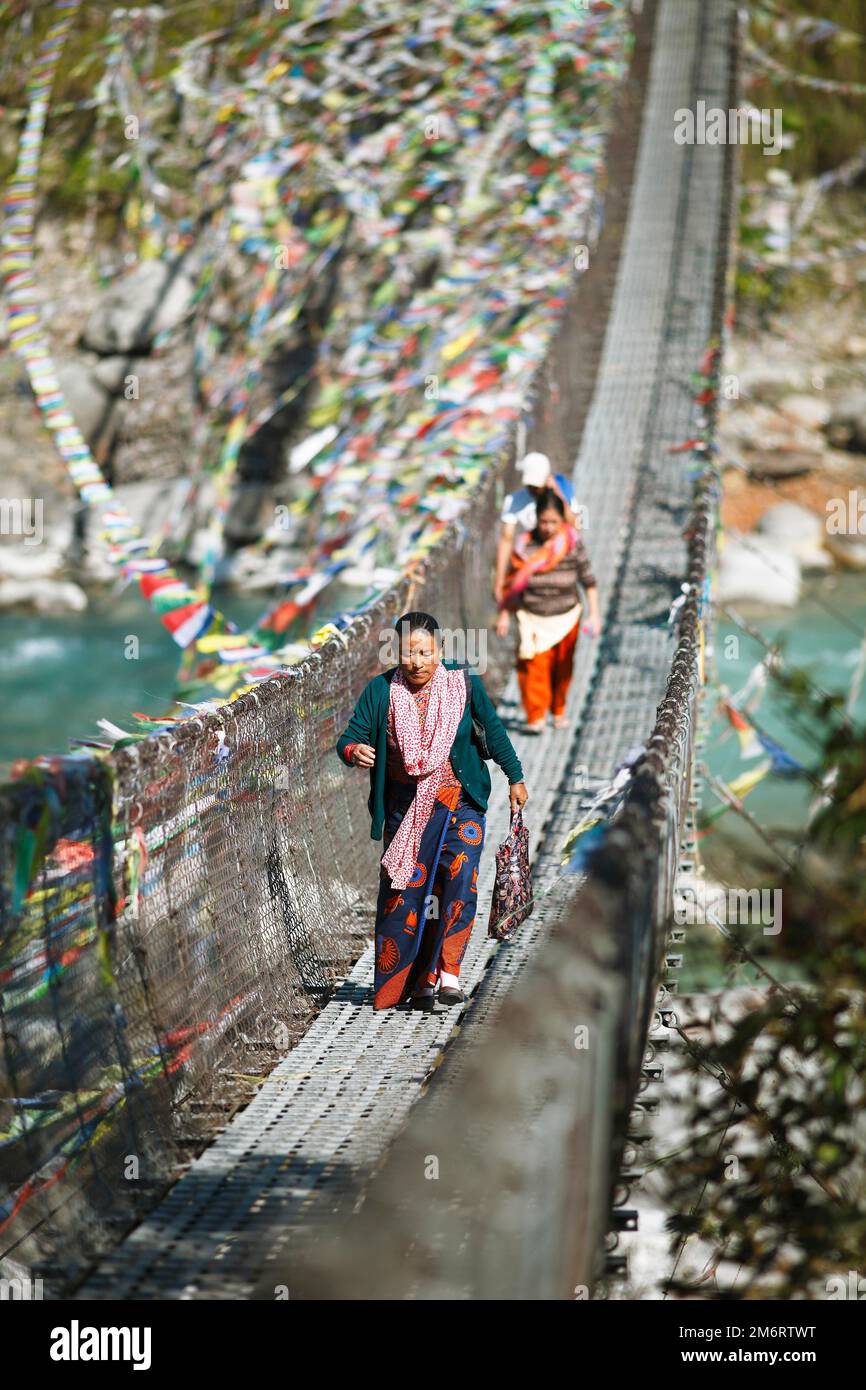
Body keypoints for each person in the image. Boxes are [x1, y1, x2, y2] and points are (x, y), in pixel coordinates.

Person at [336, 612, 528, 1012]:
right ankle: (418, 981)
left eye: (425, 652)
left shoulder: (463, 684)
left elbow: (493, 732)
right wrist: (355, 752)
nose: (417, 662)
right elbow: (350, 738)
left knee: (460, 878)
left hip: (461, 802)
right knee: (409, 896)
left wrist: (515, 776)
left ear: (440, 650)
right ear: (397, 653)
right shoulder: (381, 691)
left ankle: (449, 972)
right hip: (405, 811)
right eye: (409, 654)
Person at [496, 488, 600, 733]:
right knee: (533, 666)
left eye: (554, 522)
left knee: (562, 667)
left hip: (567, 615)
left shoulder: (572, 545)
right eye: (544, 521)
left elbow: (589, 581)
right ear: (536, 519)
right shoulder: (525, 547)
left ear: (562, 521)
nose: (549, 527)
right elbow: (513, 585)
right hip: (532, 616)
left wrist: (594, 614)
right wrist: (504, 613)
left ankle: (558, 708)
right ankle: (536, 715)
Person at [494, 450, 577, 605]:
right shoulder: (514, 501)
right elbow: (506, 539)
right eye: (531, 486)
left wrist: (558, 494)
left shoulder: (563, 496)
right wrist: (499, 581)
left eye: (537, 485)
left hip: (559, 566)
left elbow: (575, 526)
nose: (534, 490)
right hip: (528, 568)